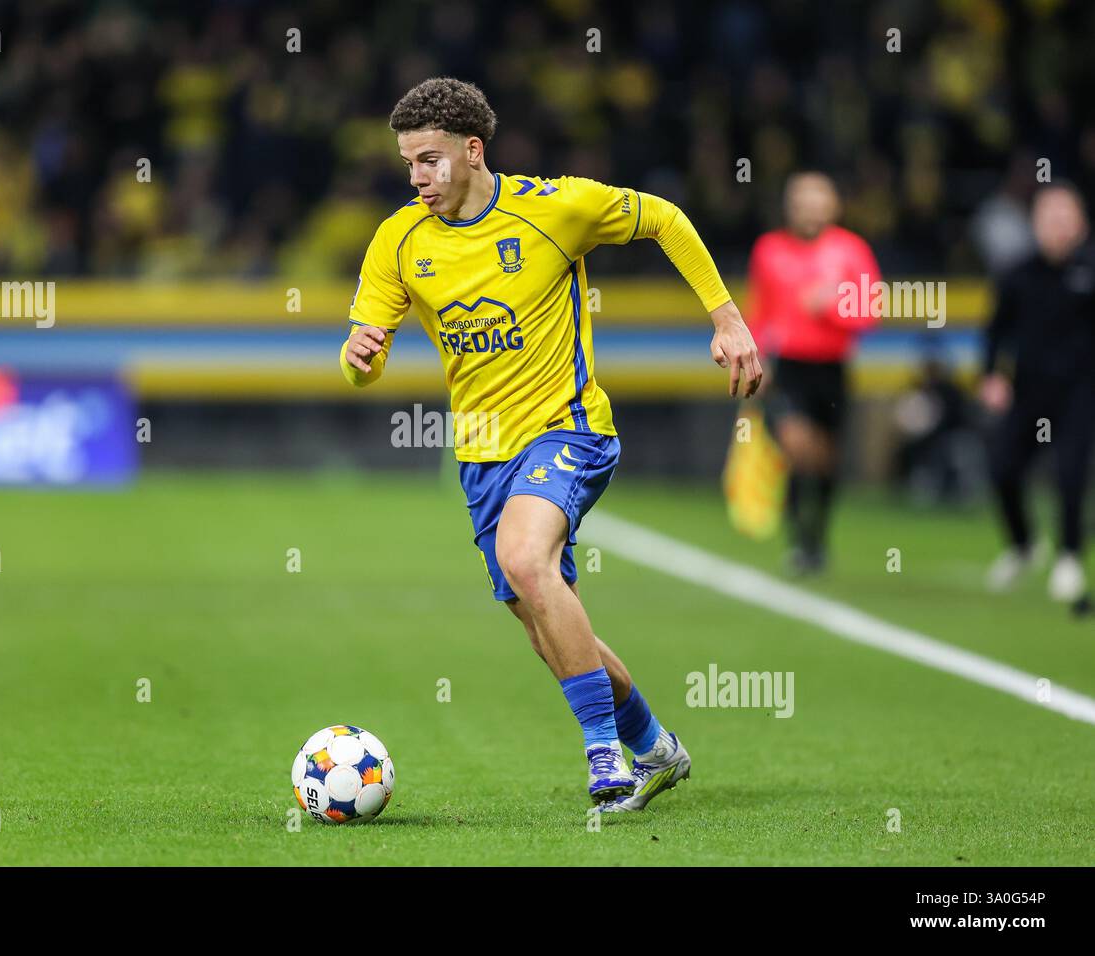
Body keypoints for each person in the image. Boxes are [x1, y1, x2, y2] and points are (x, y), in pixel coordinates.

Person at [340, 78, 761, 811]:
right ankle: (655, 746)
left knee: (524, 559)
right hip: (480, 453)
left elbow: (663, 218)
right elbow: (362, 366)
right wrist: (360, 353)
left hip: (568, 428)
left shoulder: (553, 208)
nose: (417, 178)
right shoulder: (398, 239)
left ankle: (604, 758)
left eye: (430, 160)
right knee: (546, 620)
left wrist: (727, 318)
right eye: (409, 162)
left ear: (473, 152)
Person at [747, 173, 881, 574]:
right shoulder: (769, 250)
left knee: (824, 460)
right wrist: (756, 357)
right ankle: (798, 537)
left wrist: (832, 305)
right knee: (796, 445)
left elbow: (870, 312)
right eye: (802, 200)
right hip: (788, 368)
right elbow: (760, 310)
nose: (809, 207)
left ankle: (814, 538)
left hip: (831, 368)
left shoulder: (851, 250)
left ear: (833, 206)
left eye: (818, 199)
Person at [981, 183, 1095, 602]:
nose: (1058, 227)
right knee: (1002, 467)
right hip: (1028, 391)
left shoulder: (1089, 270)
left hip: (1080, 392)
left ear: (1081, 223)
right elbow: (996, 331)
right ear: (1035, 222)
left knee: (1070, 473)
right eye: (1050, 218)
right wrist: (992, 376)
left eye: (1066, 217)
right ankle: (1025, 545)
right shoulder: (1018, 273)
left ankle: (1069, 556)